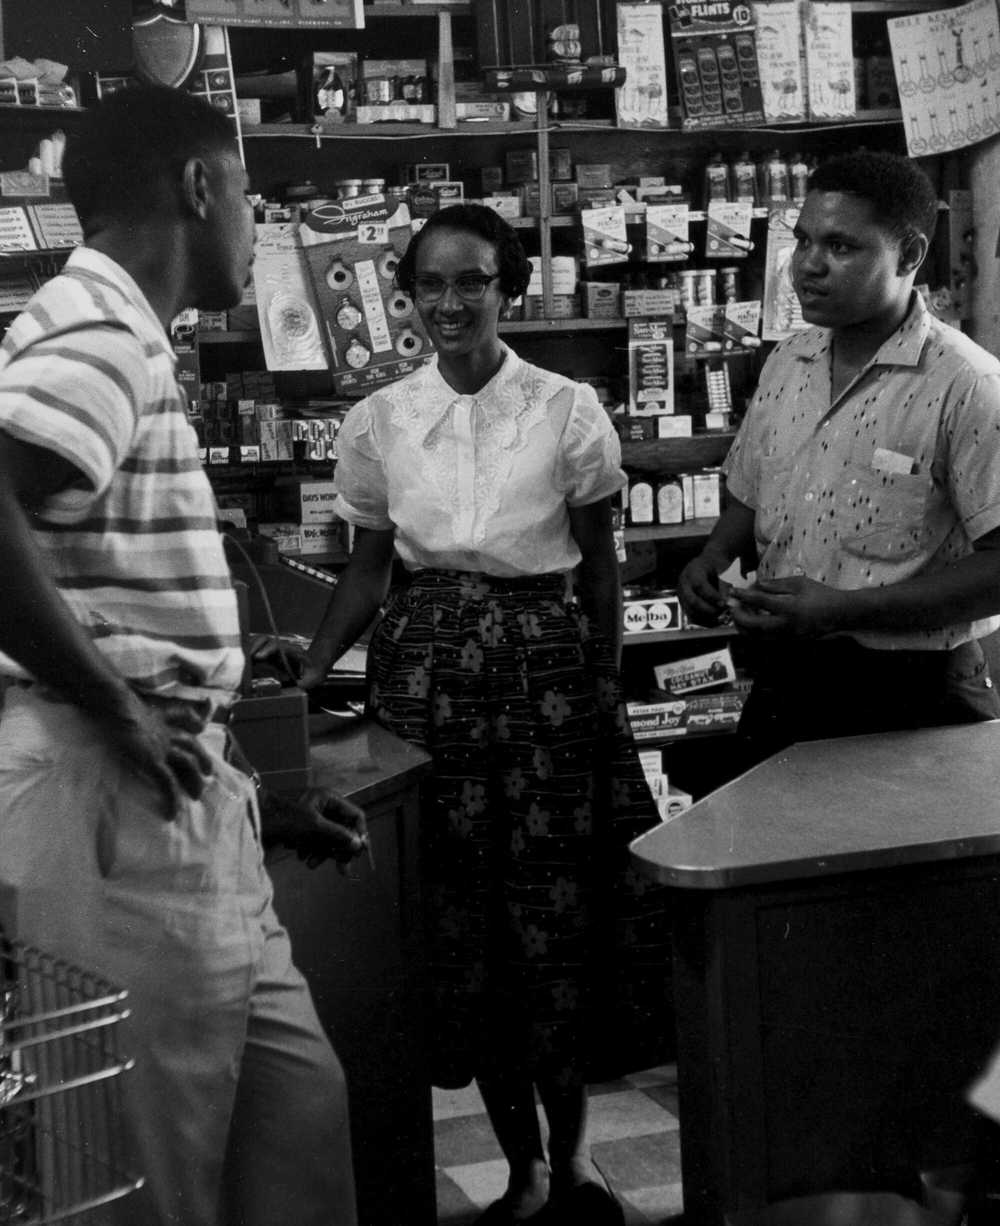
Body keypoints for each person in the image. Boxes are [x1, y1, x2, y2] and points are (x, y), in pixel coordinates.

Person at [0, 84, 366, 1226]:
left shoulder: (117, 331)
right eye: (251, 194)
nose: (254, 226)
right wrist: (111, 705)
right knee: (138, 1179)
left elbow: (111, 590)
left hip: (181, 809)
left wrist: (250, 794)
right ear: (200, 187)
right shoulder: (103, 327)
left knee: (295, 1126)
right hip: (113, 805)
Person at [301, 203, 670, 1225]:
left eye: (473, 281)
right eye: (431, 284)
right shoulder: (380, 420)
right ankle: (522, 1168)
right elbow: (368, 569)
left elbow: (598, 564)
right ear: (408, 292)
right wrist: (311, 670)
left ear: (507, 285)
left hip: (547, 680)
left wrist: (601, 688)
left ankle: (577, 1157)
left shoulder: (565, 408)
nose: (451, 302)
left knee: (552, 912)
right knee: (459, 917)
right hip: (425, 684)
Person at [679, 150, 1000, 768]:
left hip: (917, 695)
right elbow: (751, 490)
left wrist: (843, 609)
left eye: (841, 247)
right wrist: (714, 556)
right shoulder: (787, 360)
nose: (808, 266)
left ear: (908, 256)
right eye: (801, 242)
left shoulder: (966, 383)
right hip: (789, 681)